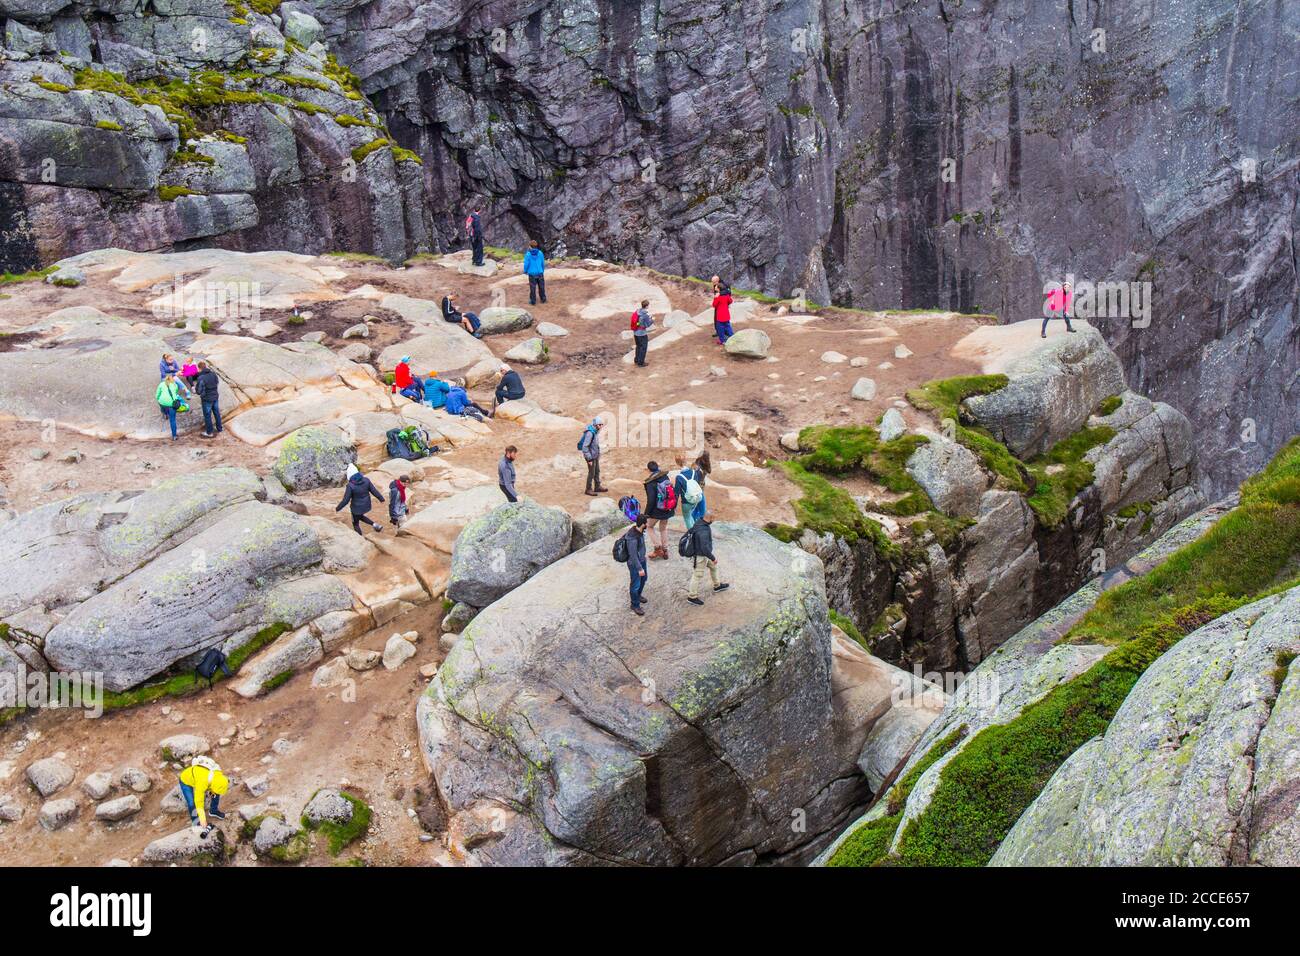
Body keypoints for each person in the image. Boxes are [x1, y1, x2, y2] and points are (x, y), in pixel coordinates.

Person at [684, 513, 729, 605]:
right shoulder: (703, 531)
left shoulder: (700, 522)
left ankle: (717, 585)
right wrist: (713, 558)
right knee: (697, 575)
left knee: (713, 567)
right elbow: (704, 547)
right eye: (714, 519)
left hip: (704, 554)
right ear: (711, 518)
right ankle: (692, 597)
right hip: (701, 555)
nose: (714, 520)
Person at [179, 756, 229, 831]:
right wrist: (203, 820)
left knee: (215, 794)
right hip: (185, 780)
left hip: (203, 779)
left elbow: (218, 787)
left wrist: (214, 792)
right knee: (192, 803)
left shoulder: (218, 774)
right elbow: (199, 802)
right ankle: (196, 822)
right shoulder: (202, 783)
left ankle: (213, 811)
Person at [336, 464, 384, 535]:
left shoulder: (350, 486)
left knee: (355, 523)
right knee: (359, 516)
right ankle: (375, 525)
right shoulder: (366, 480)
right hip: (366, 505)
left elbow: (346, 500)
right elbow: (374, 490)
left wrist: (338, 508)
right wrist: (381, 498)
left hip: (356, 508)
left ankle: (360, 538)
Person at [643, 461, 674, 560]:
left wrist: (646, 514)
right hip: (667, 507)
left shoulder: (650, 482)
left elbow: (651, 500)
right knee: (663, 528)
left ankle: (658, 548)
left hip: (657, 510)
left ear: (649, 470)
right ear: (658, 467)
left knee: (649, 526)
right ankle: (665, 550)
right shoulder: (665, 476)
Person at [623, 514, 649, 616]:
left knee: (644, 579)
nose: (648, 524)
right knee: (635, 585)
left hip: (641, 561)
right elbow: (633, 555)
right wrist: (639, 568)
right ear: (643, 524)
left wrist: (643, 557)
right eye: (646, 522)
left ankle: (638, 596)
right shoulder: (632, 538)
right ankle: (634, 605)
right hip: (635, 564)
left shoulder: (640, 531)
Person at [674, 452, 707, 529]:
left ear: (677, 463)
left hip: (686, 502)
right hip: (696, 498)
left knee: (687, 518)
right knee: (691, 515)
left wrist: (674, 507)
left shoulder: (679, 477)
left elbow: (676, 493)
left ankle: (693, 535)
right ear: (686, 461)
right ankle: (697, 530)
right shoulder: (693, 472)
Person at [579, 416, 608, 496]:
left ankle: (597, 486)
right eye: (599, 425)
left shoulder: (595, 431)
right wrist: (589, 459)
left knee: (597, 471)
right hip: (590, 457)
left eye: (602, 424)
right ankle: (588, 489)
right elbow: (585, 447)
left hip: (594, 456)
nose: (601, 426)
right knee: (591, 473)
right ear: (595, 424)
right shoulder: (590, 433)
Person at [194, 360, 223, 438]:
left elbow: (199, 391)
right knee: (217, 413)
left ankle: (209, 432)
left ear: (199, 368)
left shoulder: (201, 378)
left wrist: (195, 390)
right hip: (215, 396)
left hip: (207, 399)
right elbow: (217, 382)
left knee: (207, 415)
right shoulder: (213, 374)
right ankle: (220, 428)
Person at [156, 373, 183, 441]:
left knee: (161, 403)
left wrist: (158, 399)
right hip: (171, 404)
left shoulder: (161, 384)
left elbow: (157, 394)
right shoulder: (174, 385)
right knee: (172, 419)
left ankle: (164, 413)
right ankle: (174, 436)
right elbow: (175, 393)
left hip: (163, 402)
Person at [632, 298, 654, 367]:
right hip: (642, 333)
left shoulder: (638, 311)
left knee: (638, 346)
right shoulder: (645, 315)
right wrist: (652, 320)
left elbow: (638, 322)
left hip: (636, 332)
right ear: (647, 306)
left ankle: (636, 360)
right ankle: (641, 363)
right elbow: (647, 325)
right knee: (643, 347)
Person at [523, 240, 546, 305]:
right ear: (536, 246)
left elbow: (526, 264)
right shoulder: (540, 253)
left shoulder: (528, 254)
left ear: (530, 246)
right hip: (540, 272)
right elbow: (542, 263)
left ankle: (533, 301)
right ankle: (543, 299)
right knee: (541, 287)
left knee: (532, 287)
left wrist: (525, 271)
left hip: (532, 273)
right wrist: (542, 270)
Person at [712, 280, 734, 344]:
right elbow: (731, 301)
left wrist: (715, 298)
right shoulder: (726, 296)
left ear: (719, 289)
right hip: (726, 314)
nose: (715, 287)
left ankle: (722, 340)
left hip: (720, 315)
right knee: (728, 326)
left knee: (720, 328)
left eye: (716, 287)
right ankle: (732, 337)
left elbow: (714, 305)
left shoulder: (718, 297)